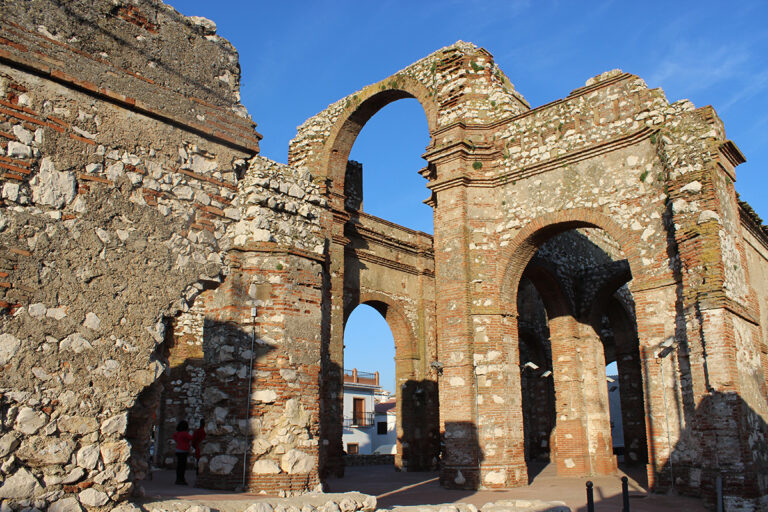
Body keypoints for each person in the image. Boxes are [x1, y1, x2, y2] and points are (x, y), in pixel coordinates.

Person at [172, 420, 192, 485]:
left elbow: (174, 436)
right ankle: (181, 479)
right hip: (184, 450)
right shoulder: (185, 433)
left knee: (179, 466)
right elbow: (191, 438)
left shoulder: (177, 433)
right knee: (183, 466)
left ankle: (178, 479)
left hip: (178, 450)